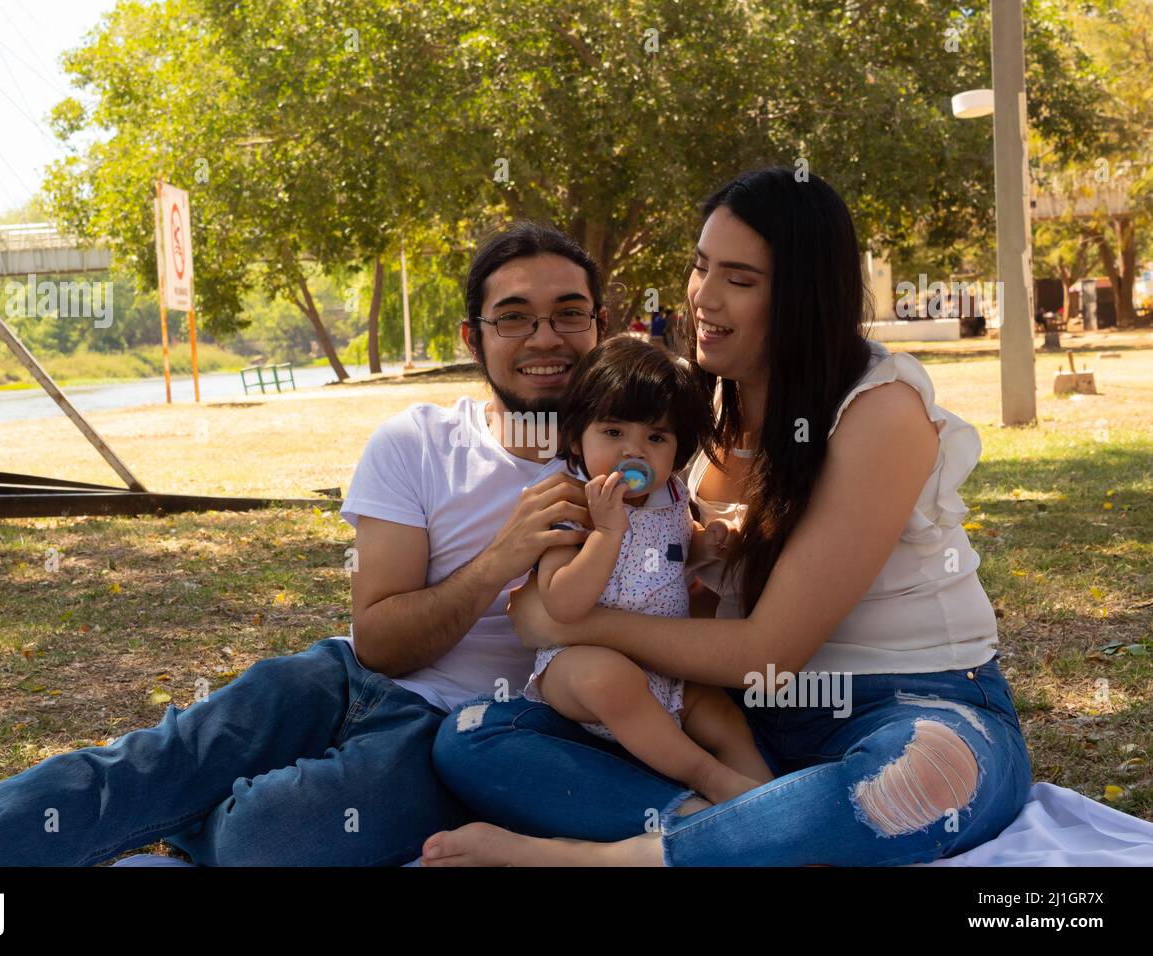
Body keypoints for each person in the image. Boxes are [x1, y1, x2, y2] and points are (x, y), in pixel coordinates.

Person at [0, 222, 606, 867]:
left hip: (470, 732)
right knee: (150, 762)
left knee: (268, 840)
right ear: (473, 337)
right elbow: (379, 642)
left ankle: (186, 839)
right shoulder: (418, 439)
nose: (545, 339)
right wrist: (500, 559)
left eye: (568, 314)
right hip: (342, 678)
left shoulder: (641, 462)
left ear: (602, 325)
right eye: (515, 317)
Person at [422, 167, 1033, 866]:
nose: (703, 298)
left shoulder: (880, 409)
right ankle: (732, 824)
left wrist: (569, 621)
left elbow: (768, 654)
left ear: (802, 297)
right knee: (474, 735)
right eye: (700, 267)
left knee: (915, 786)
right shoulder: (693, 412)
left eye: (740, 280)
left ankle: (603, 859)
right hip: (735, 720)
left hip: (906, 706)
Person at [522, 335, 771, 806]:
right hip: (578, 668)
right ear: (578, 436)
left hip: (663, 666)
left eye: (655, 438)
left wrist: (703, 545)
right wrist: (606, 533)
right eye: (613, 433)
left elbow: (673, 560)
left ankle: (770, 798)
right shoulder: (573, 504)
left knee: (721, 712)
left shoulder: (672, 498)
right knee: (610, 680)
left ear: (677, 453)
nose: (633, 452)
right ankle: (709, 778)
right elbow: (561, 603)